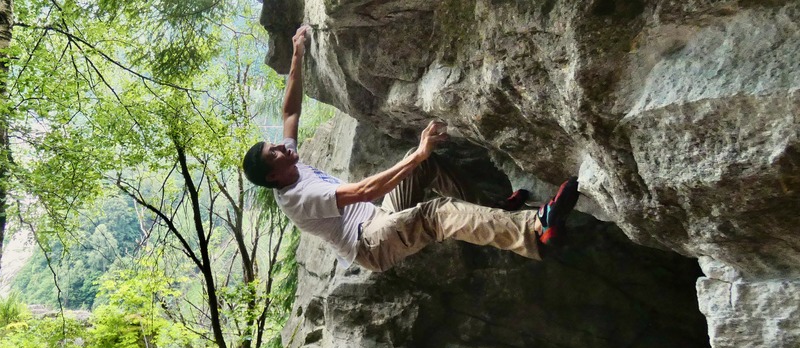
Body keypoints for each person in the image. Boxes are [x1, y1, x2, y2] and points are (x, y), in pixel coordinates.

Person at [242, 24, 579, 273]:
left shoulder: (288, 165)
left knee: (420, 167)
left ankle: (495, 208)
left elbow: (290, 112)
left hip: (379, 216)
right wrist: (419, 152)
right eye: (277, 154)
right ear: (273, 176)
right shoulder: (299, 198)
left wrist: (298, 53)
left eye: (278, 147)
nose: (285, 149)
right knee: (437, 214)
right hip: (370, 244)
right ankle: (534, 230)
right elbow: (364, 190)